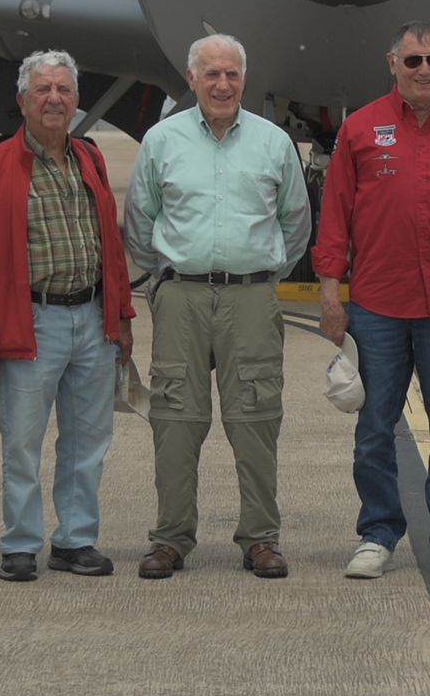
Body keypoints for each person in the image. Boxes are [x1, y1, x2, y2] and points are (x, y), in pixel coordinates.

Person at [315, 22, 430, 584]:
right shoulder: (359, 129)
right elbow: (335, 218)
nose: (425, 69)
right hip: (376, 305)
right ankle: (377, 533)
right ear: (392, 63)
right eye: (414, 59)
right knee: (375, 426)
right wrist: (330, 291)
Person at [122, 34, 311, 580]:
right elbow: (139, 220)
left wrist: (263, 274)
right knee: (176, 417)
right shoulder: (162, 141)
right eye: (212, 75)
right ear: (193, 80)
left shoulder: (274, 144)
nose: (223, 84)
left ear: (244, 79)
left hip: (251, 296)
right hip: (180, 295)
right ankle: (170, 539)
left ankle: (260, 539)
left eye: (231, 74)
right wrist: (163, 281)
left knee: (255, 416)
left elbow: (295, 223)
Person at [0, 50, 137, 583]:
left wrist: (123, 316)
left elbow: (111, 242)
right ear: (22, 100)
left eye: (63, 90)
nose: (54, 99)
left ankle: (75, 540)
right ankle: (20, 544)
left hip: (91, 319)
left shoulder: (89, 157)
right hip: (30, 324)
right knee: (21, 442)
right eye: (42, 90)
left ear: (77, 100)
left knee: (88, 440)